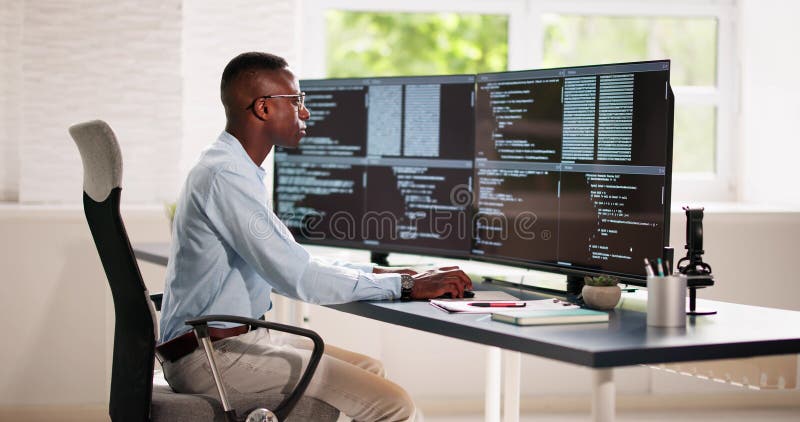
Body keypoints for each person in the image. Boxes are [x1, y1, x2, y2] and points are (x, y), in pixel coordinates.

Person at [157, 52, 473, 421]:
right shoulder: (225, 176)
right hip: (211, 357)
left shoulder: (235, 169)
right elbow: (298, 276)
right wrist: (404, 286)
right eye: (297, 101)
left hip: (231, 341)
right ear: (263, 108)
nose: (305, 113)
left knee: (370, 369)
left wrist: (388, 275)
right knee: (395, 405)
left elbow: (293, 258)